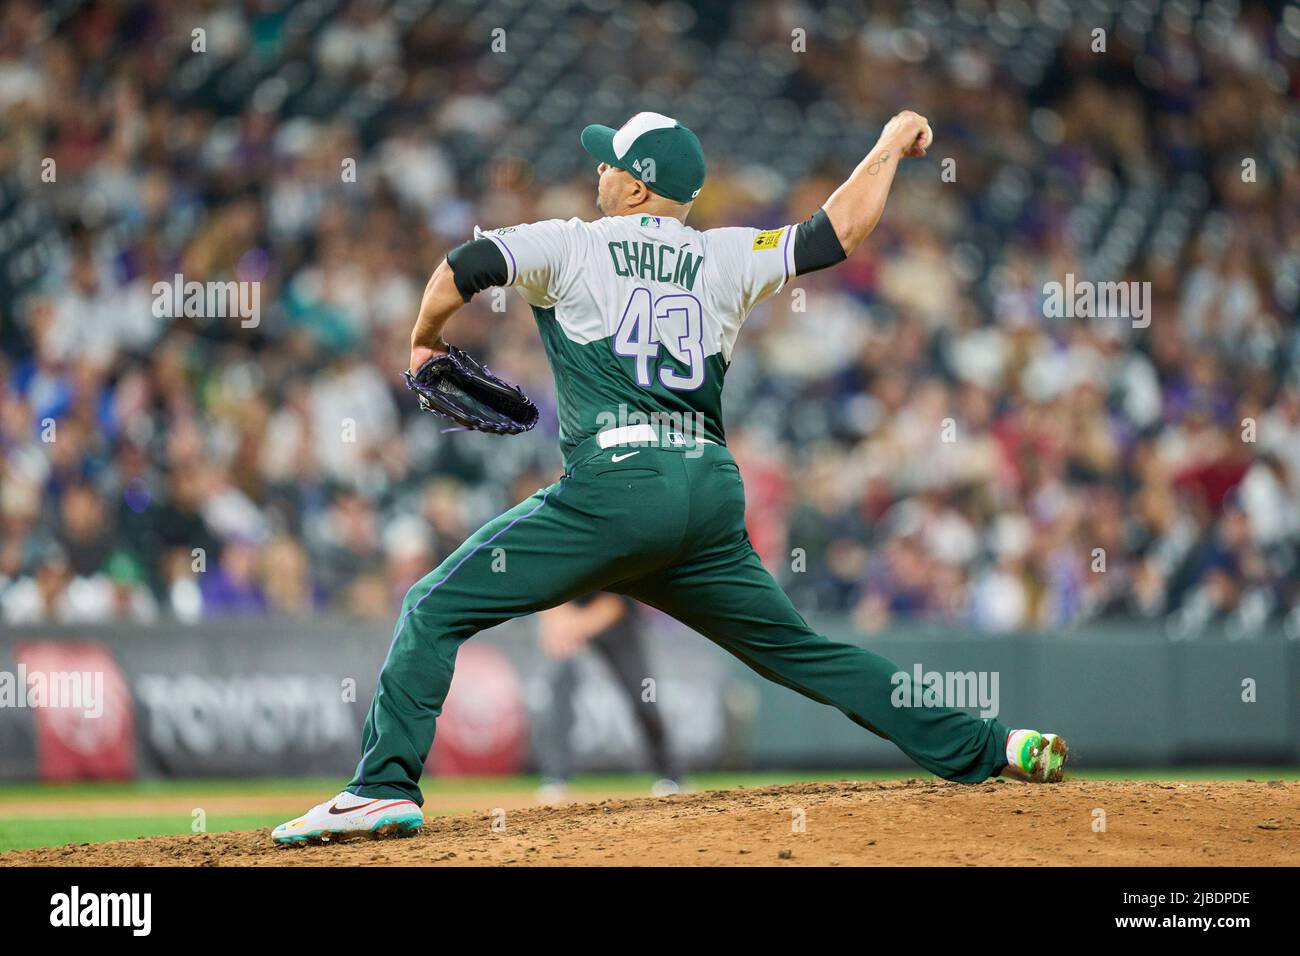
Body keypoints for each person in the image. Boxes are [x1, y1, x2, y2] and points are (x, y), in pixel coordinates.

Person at [274, 109, 1067, 845]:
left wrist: (423, 342)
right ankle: (997, 743)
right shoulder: (727, 253)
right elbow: (839, 233)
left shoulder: (575, 242)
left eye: (611, 164)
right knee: (806, 653)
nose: (600, 172)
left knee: (431, 606)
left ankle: (384, 784)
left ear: (636, 184)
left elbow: (466, 263)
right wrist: (891, 144)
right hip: (709, 493)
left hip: (621, 483)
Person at [535, 594, 680, 802]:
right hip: (565, 616)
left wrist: (577, 625)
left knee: (644, 696)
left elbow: (617, 602)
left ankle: (671, 775)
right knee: (559, 685)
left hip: (613, 620)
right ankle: (556, 778)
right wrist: (557, 618)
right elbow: (539, 580)